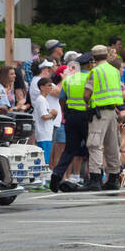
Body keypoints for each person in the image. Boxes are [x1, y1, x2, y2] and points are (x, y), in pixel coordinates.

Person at [82, 44, 123, 190]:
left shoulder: (95, 72)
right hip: (113, 112)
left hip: (99, 113)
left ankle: (95, 179)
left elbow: (87, 94)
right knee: (112, 145)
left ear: (93, 58)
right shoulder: (114, 71)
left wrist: (88, 105)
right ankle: (113, 179)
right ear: (107, 56)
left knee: (94, 144)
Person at [50, 52, 93, 192]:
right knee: (93, 148)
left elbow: (62, 97)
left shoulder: (71, 79)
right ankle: (94, 178)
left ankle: (57, 174)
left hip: (71, 116)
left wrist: (66, 112)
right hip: (87, 117)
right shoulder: (90, 78)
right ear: (90, 64)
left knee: (69, 149)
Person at [32, 76, 58, 165]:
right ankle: (41, 176)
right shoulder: (41, 100)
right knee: (43, 156)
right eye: (49, 85)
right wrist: (53, 114)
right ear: (42, 87)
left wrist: (52, 115)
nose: (51, 88)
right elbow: (44, 116)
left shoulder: (44, 100)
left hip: (47, 133)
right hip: (43, 133)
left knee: (46, 155)